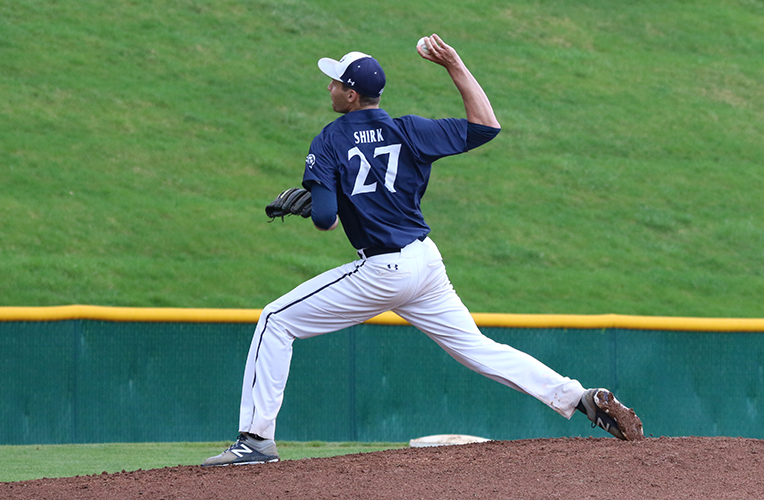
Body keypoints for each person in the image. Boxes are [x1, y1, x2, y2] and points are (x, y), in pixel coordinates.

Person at [203, 35, 643, 466]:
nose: (331, 87)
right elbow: (487, 126)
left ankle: (255, 441)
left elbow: (325, 219)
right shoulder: (409, 130)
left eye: (336, 82)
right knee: (478, 348)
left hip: (382, 270)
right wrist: (455, 65)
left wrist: (314, 200)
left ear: (352, 96)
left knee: (275, 321)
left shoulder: (330, 140)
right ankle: (581, 398)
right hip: (425, 264)